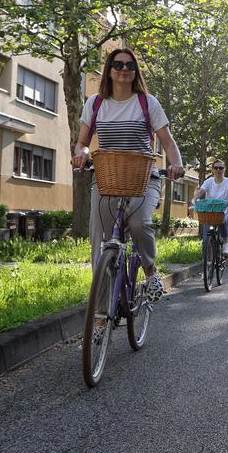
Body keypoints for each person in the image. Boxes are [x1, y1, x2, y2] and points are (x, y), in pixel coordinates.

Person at [70, 47, 185, 303]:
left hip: (144, 178)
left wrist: (176, 164)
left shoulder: (147, 102)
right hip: (107, 177)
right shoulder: (95, 103)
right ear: (109, 71)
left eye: (130, 66)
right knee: (99, 243)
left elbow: (167, 142)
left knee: (138, 223)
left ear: (135, 72)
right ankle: (99, 318)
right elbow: (83, 142)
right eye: (118, 65)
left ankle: (151, 271)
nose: (124, 70)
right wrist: (82, 154)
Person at [192, 161, 228, 248]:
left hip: (226, 210)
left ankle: (225, 244)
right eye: (216, 168)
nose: (218, 170)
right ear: (212, 170)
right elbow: (201, 191)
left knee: (222, 221)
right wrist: (194, 199)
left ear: (224, 169)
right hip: (210, 212)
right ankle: (206, 258)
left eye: (221, 168)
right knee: (206, 238)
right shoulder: (208, 182)